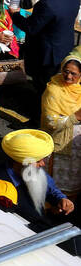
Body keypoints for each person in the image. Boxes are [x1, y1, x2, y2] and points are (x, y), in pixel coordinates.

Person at [0, 129, 76, 225]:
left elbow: (49, 188)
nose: (42, 164)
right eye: (38, 161)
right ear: (21, 161)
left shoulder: (31, 171)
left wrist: (61, 199)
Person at [17, 0, 81, 91]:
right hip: (64, 46)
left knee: (42, 84)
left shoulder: (47, 5)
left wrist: (15, 15)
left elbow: (31, 28)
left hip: (46, 53)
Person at [42, 56, 81, 195]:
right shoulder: (53, 90)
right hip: (58, 146)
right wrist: (75, 117)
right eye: (66, 71)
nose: (68, 76)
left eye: (73, 73)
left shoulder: (78, 90)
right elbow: (51, 123)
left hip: (76, 148)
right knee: (55, 185)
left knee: (73, 183)